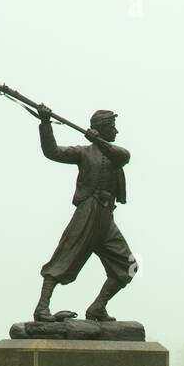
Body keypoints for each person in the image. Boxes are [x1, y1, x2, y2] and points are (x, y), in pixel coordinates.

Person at [32, 104, 135, 322]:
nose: (116, 131)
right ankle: (42, 308)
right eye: (113, 127)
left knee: (128, 266)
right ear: (103, 128)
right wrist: (46, 123)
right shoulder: (83, 153)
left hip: (106, 217)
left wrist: (98, 140)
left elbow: (124, 156)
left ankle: (97, 307)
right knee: (64, 256)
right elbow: (52, 152)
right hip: (88, 210)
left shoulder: (116, 155)